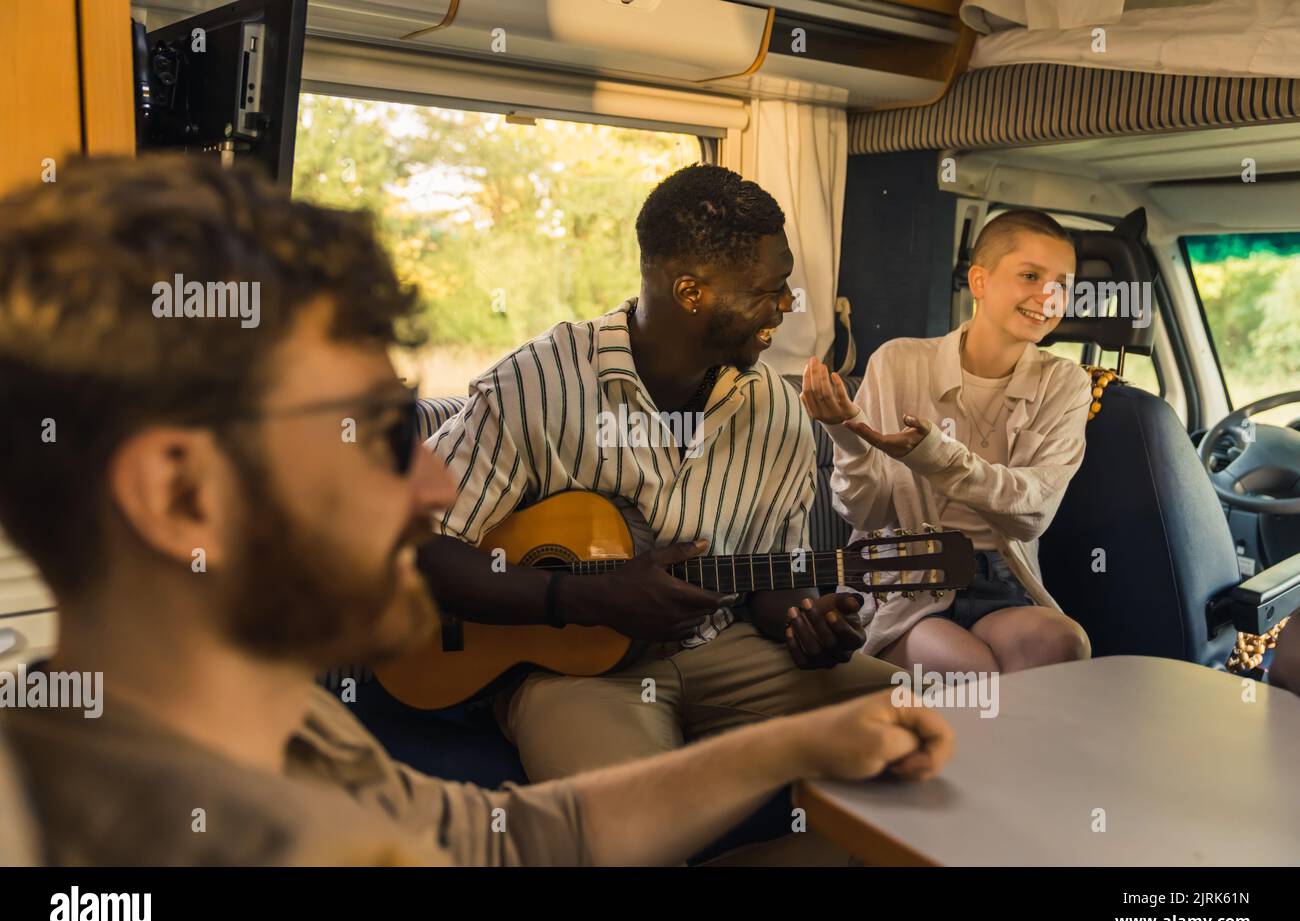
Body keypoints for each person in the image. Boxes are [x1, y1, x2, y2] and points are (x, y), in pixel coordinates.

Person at [0, 154, 952, 866]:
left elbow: (528, 838)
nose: (439, 487)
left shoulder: (309, 736)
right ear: (181, 493)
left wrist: (802, 739)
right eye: (377, 433)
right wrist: (573, 604)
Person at [418, 164, 902, 794]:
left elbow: (771, 576)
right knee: (630, 819)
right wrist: (584, 599)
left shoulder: (779, 410)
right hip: (573, 677)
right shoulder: (539, 381)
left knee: (928, 732)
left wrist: (807, 623)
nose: (787, 305)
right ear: (690, 291)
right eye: (769, 290)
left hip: (724, 653)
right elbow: (415, 544)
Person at [801, 210, 1091, 675]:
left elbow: (1032, 513)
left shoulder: (1066, 384)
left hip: (1003, 580)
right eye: (1030, 276)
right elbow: (866, 513)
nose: (1048, 296)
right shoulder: (898, 362)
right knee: (972, 670)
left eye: (1063, 284)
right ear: (980, 280)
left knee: (1065, 642)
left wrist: (934, 456)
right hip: (908, 579)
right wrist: (846, 436)